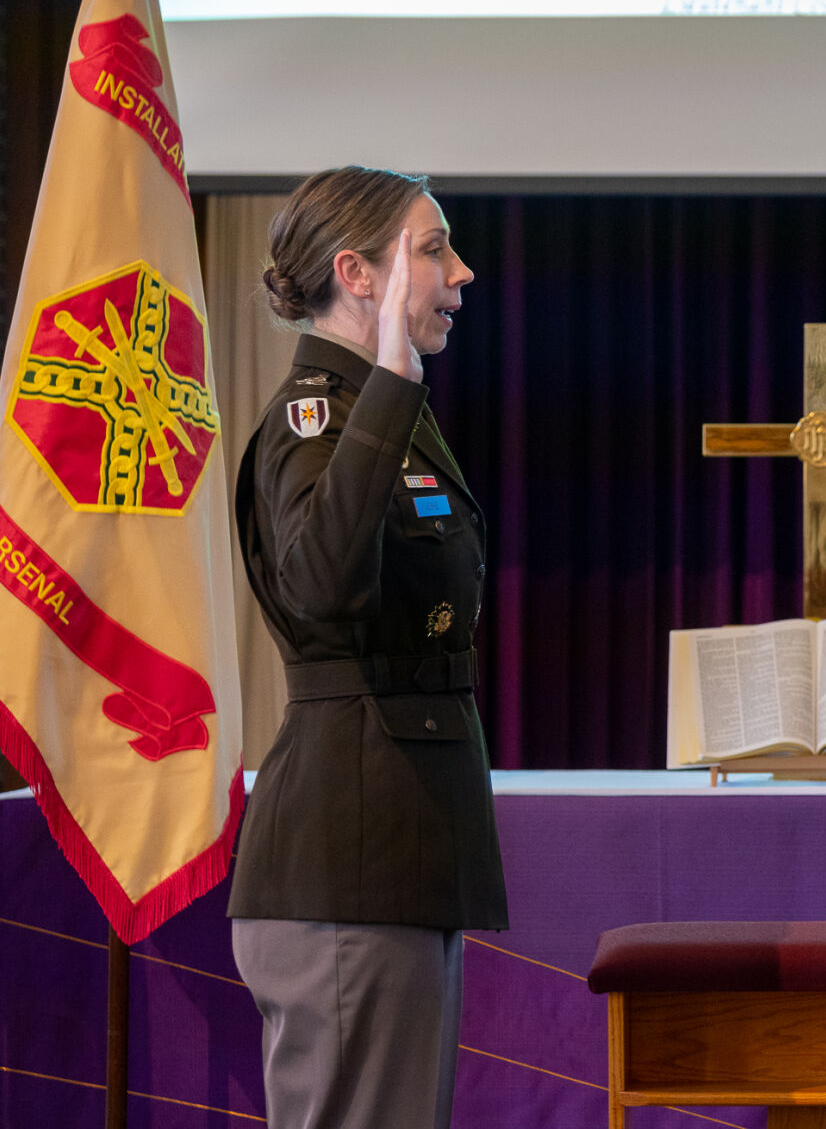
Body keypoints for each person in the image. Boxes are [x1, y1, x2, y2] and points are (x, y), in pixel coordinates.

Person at [228, 165, 508, 1129]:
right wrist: (390, 385)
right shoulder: (318, 419)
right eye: (433, 251)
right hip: (346, 859)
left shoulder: (383, 416)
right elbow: (320, 584)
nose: (460, 273)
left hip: (394, 850)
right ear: (358, 272)